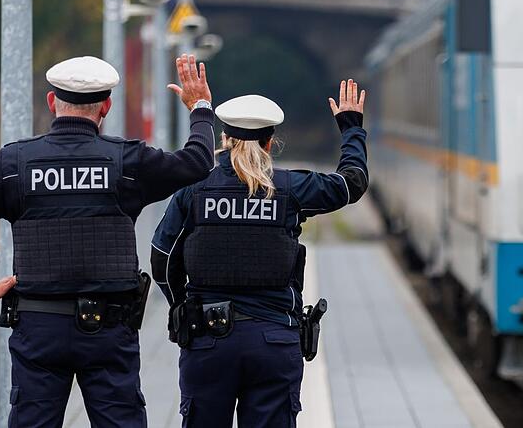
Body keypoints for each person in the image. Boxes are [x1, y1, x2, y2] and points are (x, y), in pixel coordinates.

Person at [0, 54, 217, 428]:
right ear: (106, 107)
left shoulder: (14, 163)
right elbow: (197, 162)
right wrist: (200, 107)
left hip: (38, 329)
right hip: (109, 330)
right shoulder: (127, 161)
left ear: (52, 102)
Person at [151, 79, 370, 428]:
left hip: (207, 341)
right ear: (270, 143)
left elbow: (162, 257)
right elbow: (351, 183)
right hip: (273, 341)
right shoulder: (290, 189)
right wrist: (351, 129)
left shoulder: (193, 190)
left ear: (224, 140)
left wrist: (182, 307)